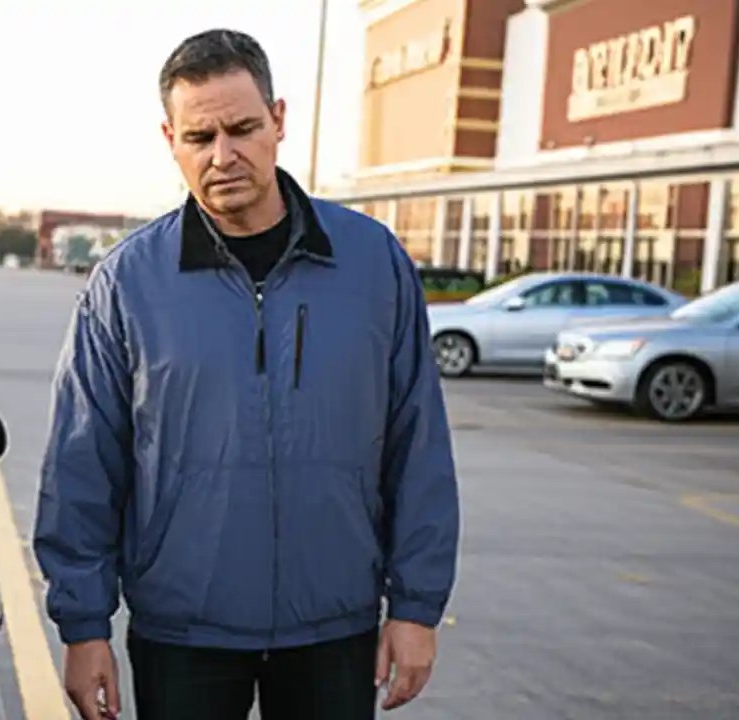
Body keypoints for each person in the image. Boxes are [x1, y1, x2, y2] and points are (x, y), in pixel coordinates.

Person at [34, 28, 460, 720]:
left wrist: (415, 608)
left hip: (334, 627)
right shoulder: (127, 283)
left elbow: (419, 448)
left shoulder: (372, 263)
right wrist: (83, 628)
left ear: (279, 120)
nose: (223, 155)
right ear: (170, 138)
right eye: (200, 138)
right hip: (184, 631)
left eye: (242, 128)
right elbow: (83, 465)